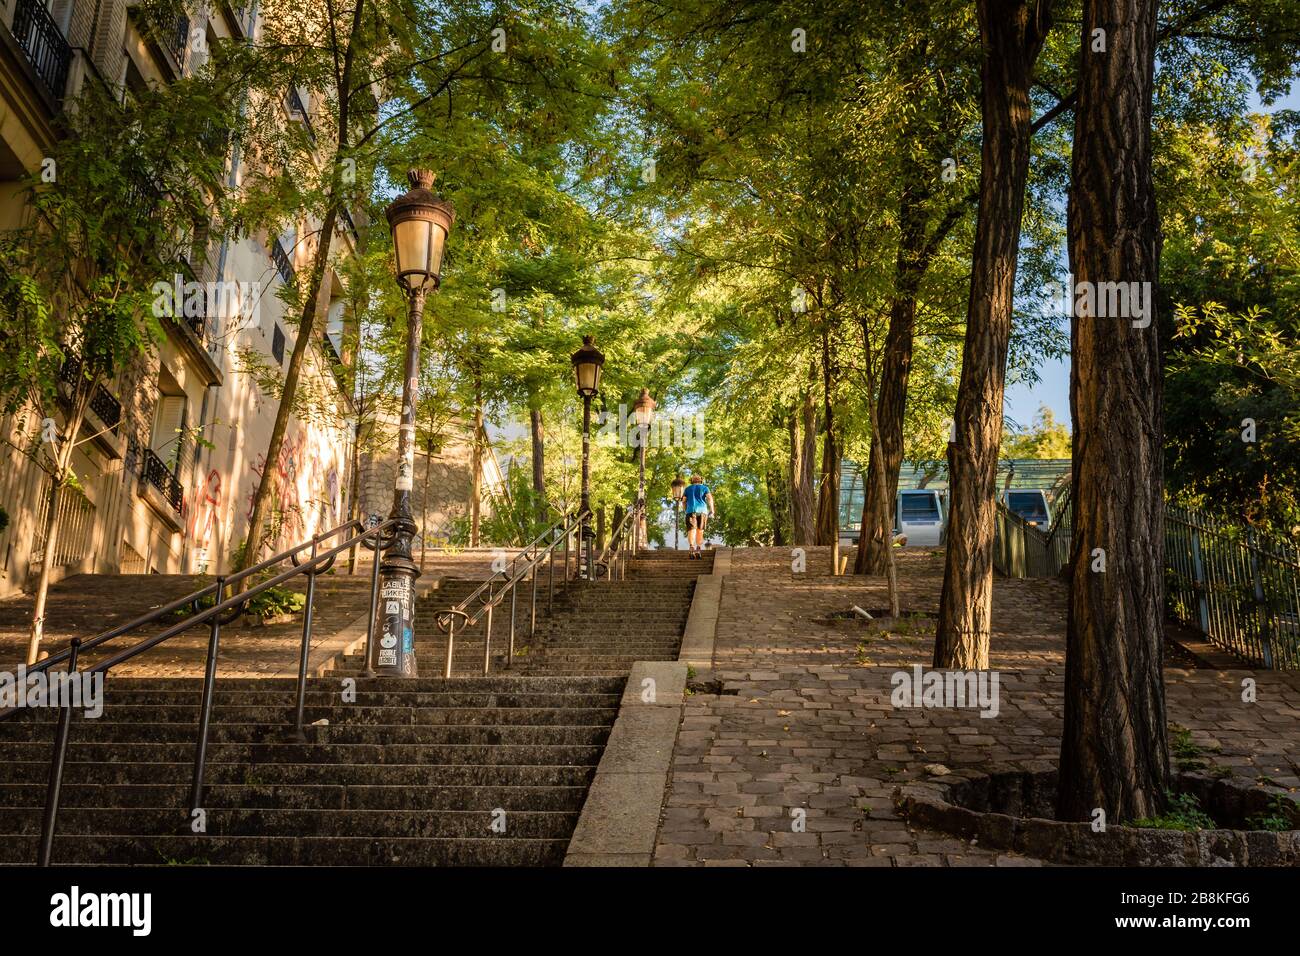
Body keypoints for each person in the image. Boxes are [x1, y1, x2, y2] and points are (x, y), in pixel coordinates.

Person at [682, 475, 714, 559]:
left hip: (690, 511)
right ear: (701, 480)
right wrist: (712, 510)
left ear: (692, 481)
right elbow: (709, 498)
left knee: (691, 530)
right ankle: (698, 549)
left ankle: (692, 547)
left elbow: (684, 501)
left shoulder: (687, 489)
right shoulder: (705, 488)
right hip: (702, 511)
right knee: (700, 531)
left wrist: (685, 510)